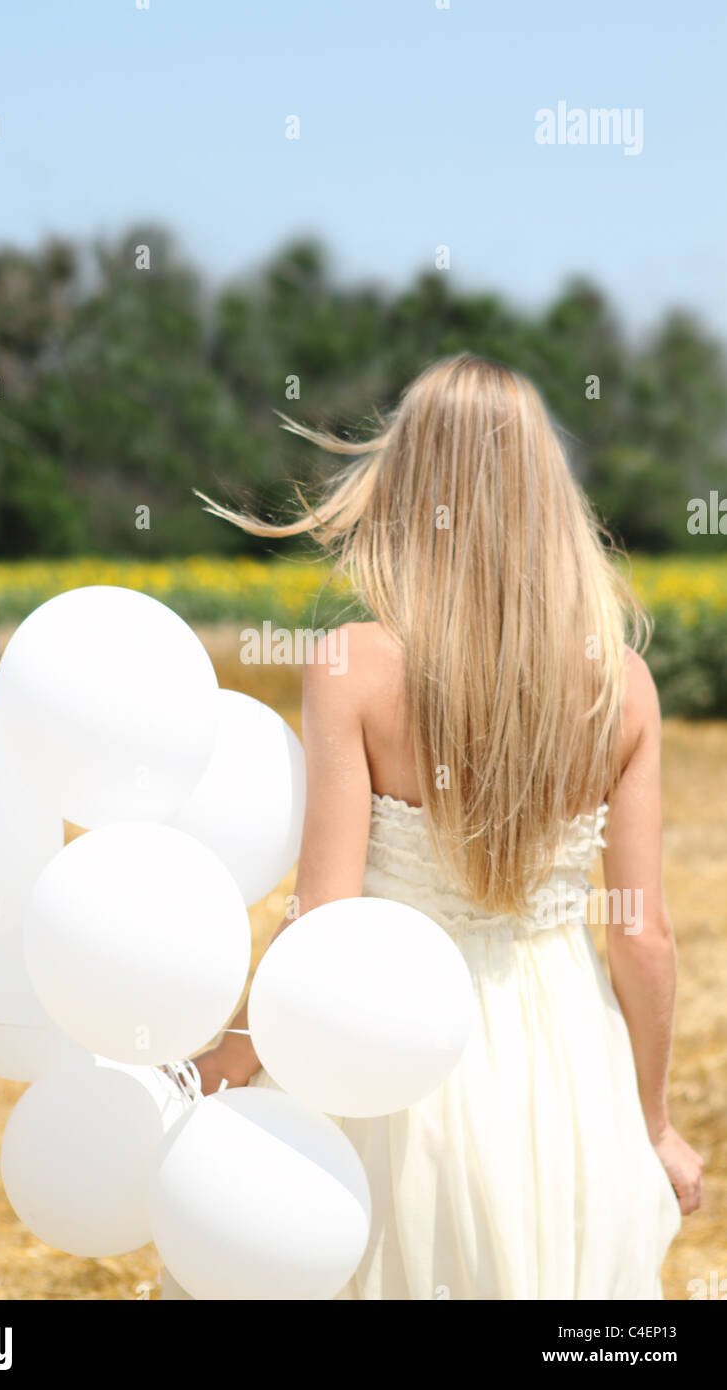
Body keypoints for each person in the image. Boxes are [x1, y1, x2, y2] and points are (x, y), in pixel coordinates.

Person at [162, 352, 702, 1301]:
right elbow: (642, 936)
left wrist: (231, 1057)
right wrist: (650, 1122)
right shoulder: (621, 684)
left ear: (409, 486)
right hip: (568, 1074)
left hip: (387, 1048)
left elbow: (321, 915)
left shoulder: (354, 666)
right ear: (550, 493)